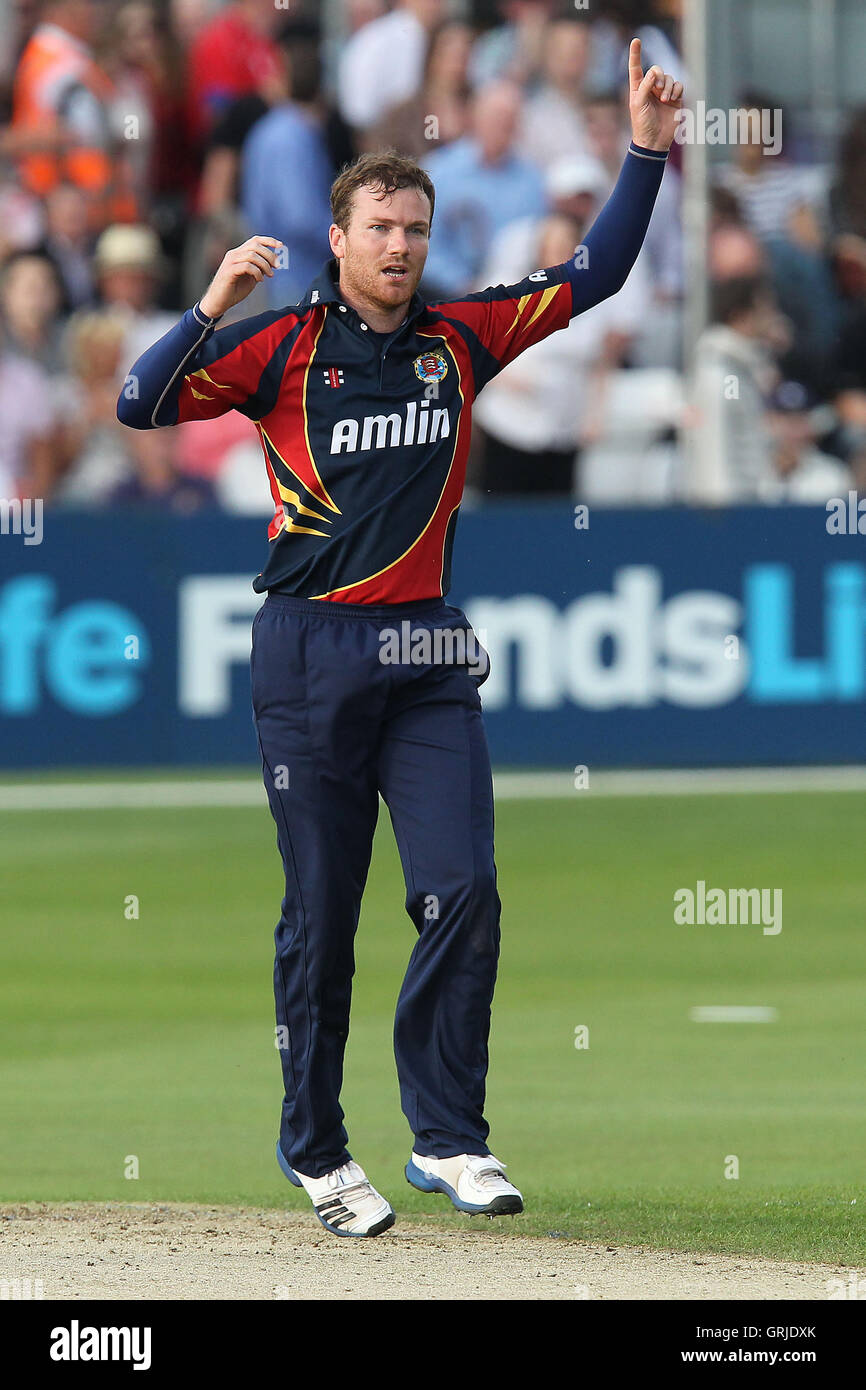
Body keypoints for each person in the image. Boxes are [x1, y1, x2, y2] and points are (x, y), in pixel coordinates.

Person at [117, 39, 682, 1240]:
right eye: (380, 227)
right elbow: (141, 401)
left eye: (414, 230)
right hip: (307, 651)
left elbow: (594, 274)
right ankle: (317, 1150)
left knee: (460, 889)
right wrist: (214, 299)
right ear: (339, 236)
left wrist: (642, 148)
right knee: (322, 921)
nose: (399, 247)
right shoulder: (280, 347)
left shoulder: (460, 337)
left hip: (425, 654)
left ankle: (448, 1138)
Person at [420, 80, 547, 298]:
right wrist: (463, 284)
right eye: (496, 118)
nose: (503, 127)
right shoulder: (438, 171)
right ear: (475, 117)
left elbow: (537, 245)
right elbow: (423, 242)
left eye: (510, 120)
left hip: (511, 296)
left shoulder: (532, 181)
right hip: (443, 295)